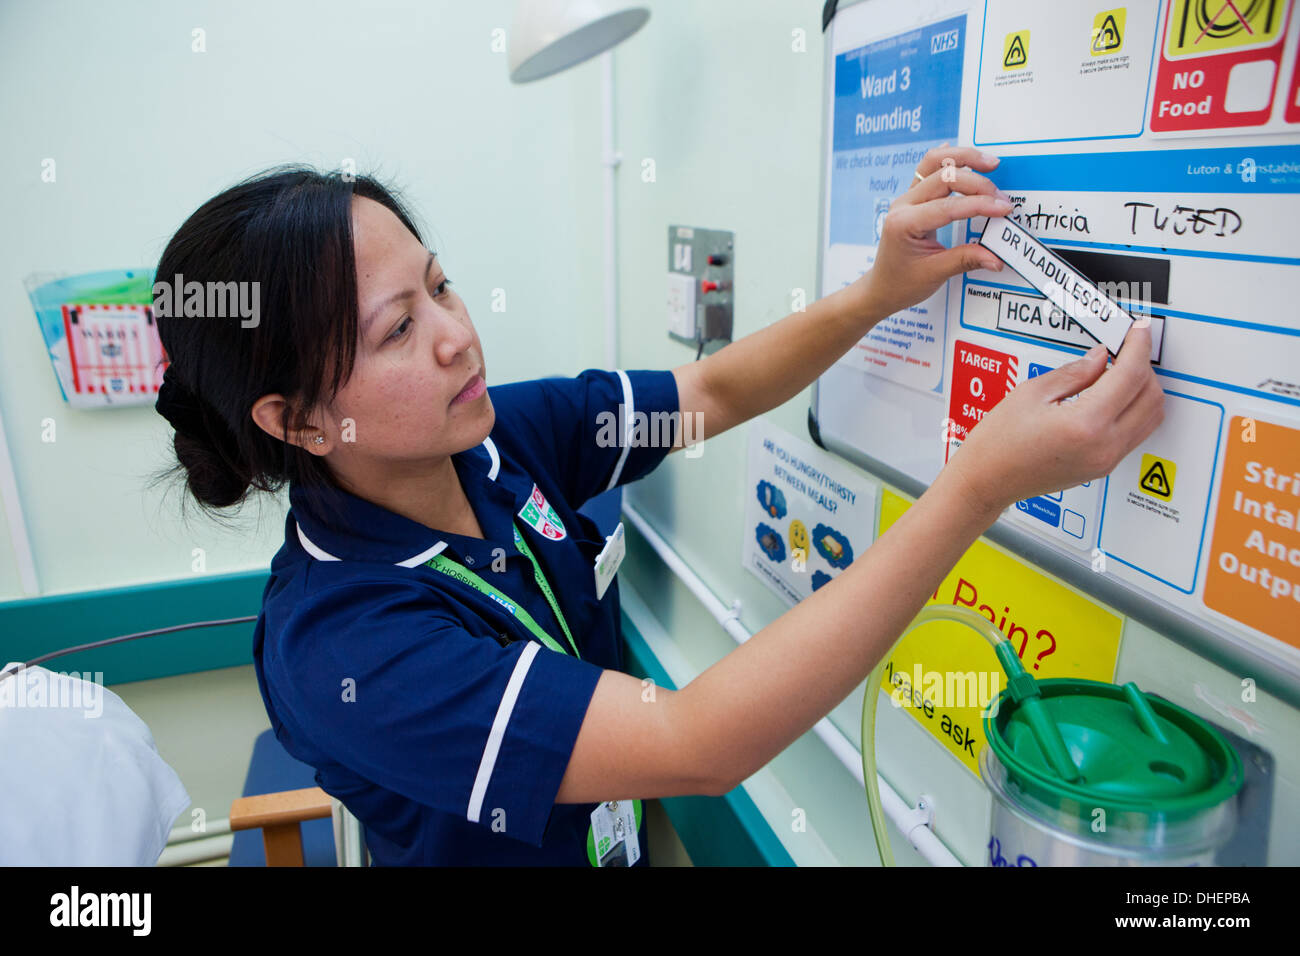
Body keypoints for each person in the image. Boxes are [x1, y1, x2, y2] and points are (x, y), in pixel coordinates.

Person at [151, 148, 1164, 866]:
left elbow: (710, 396)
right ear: (299, 420)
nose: (457, 336)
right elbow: (696, 742)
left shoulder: (499, 437)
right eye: (398, 329)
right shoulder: (345, 644)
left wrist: (875, 294)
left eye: (442, 287)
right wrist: (975, 485)